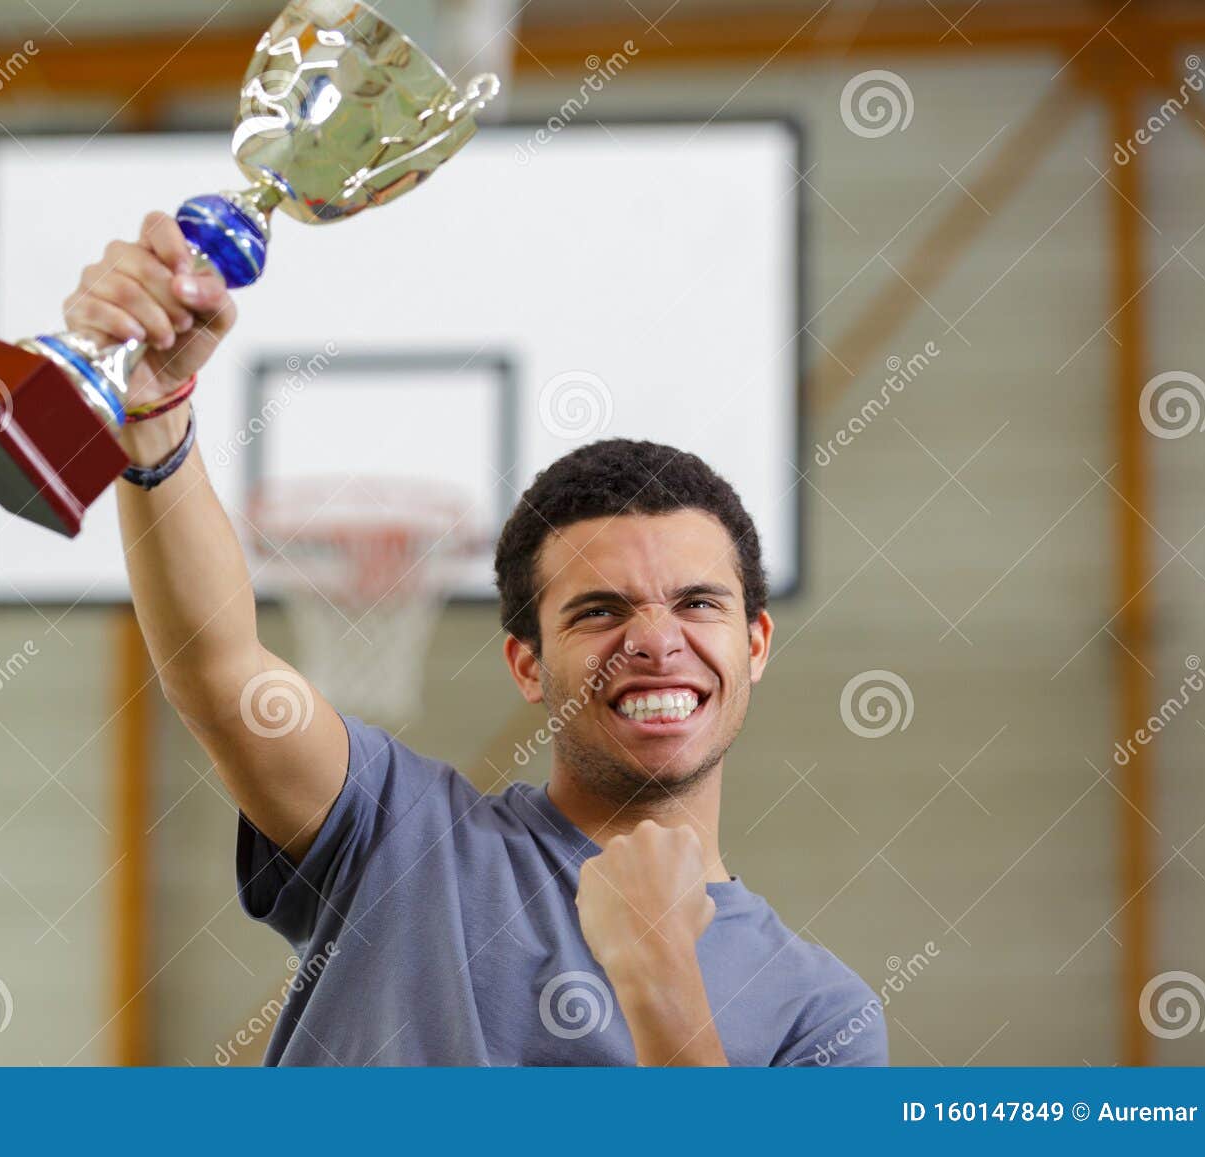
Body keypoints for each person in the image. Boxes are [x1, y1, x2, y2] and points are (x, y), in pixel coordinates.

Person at [66, 211, 887, 1067]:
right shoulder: (396, 835)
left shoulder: (823, 1019)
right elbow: (216, 667)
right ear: (528, 665)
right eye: (600, 610)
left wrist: (657, 967)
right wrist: (155, 416)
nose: (654, 639)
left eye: (696, 603)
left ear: (755, 642)